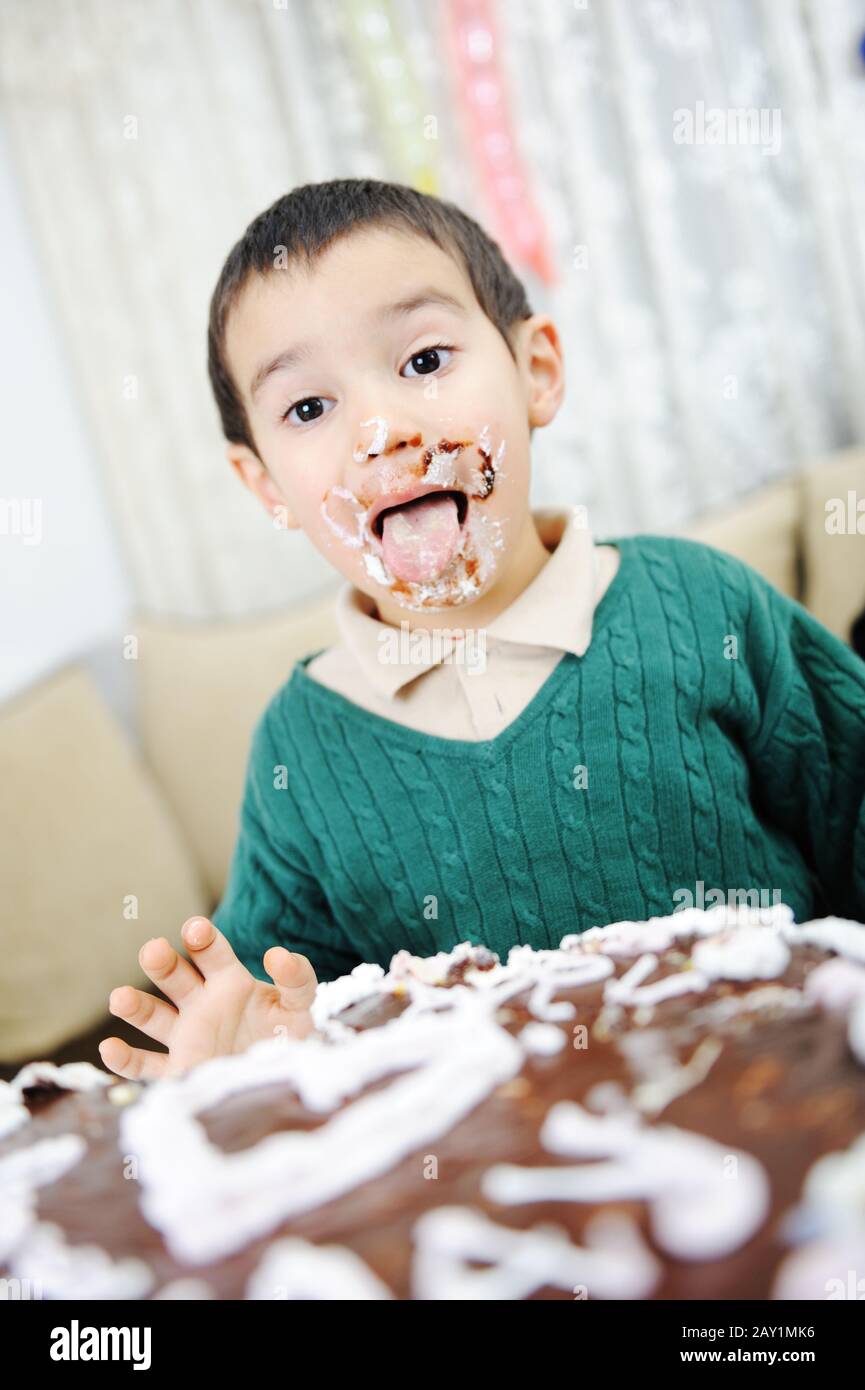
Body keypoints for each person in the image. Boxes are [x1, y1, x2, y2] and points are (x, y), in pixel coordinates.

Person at [99, 179, 865, 1079]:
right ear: (267, 484)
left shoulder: (704, 604)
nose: (381, 432)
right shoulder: (299, 756)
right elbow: (290, 1015)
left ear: (534, 370)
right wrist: (249, 1058)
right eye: (309, 408)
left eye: (423, 361)